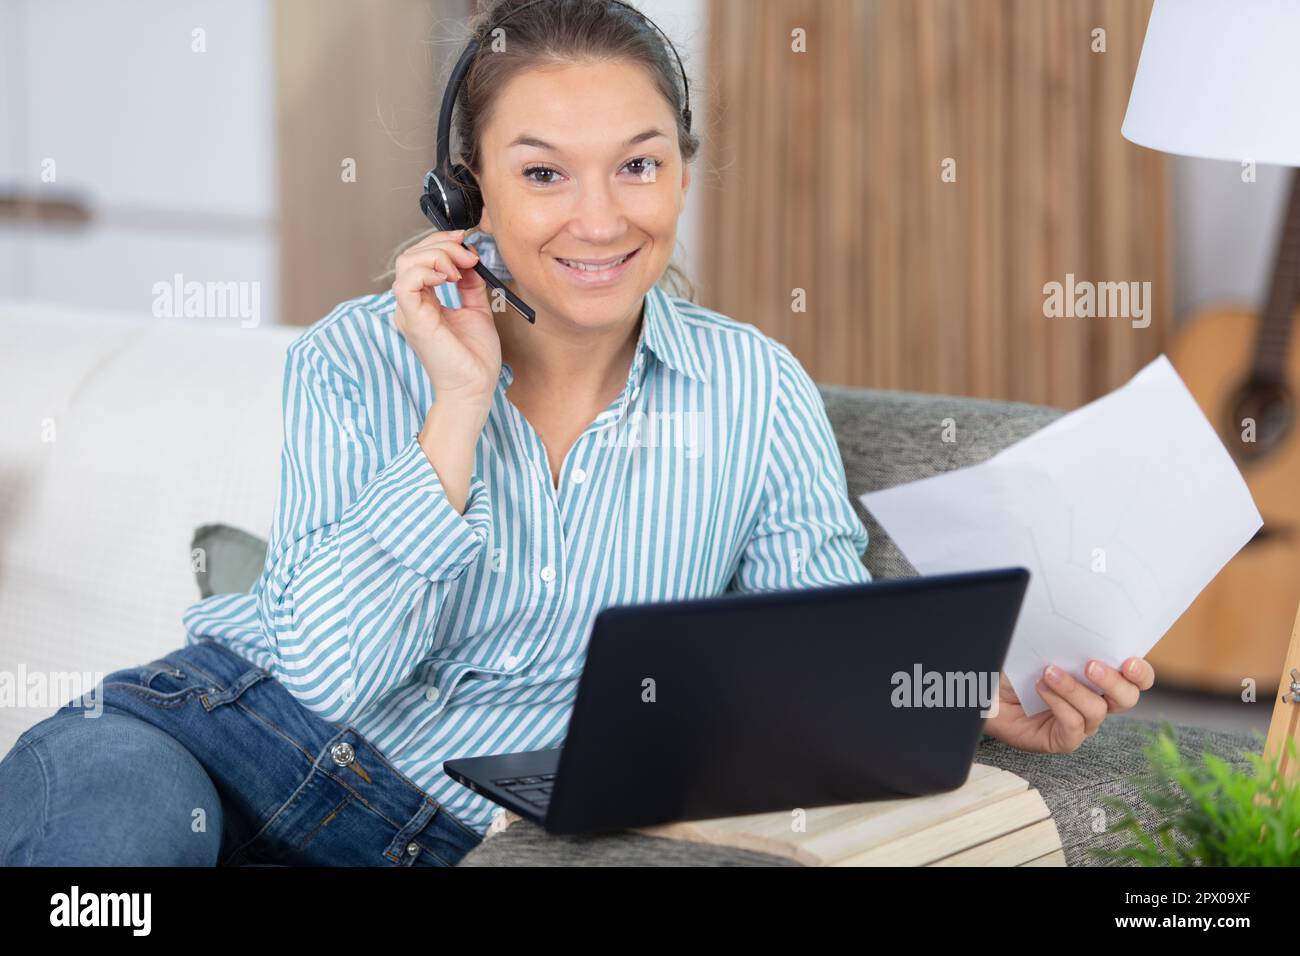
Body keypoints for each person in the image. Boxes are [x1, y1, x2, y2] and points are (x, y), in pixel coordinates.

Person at [0, 0, 1153, 867]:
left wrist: (964, 700)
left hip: (473, 832)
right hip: (226, 741)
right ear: (466, 193)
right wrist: (458, 402)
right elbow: (327, 672)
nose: (599, 219)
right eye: (544, 172)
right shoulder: (356, 355)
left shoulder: (755, 391)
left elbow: (806, 664)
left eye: (637, 165)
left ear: (683, 174)